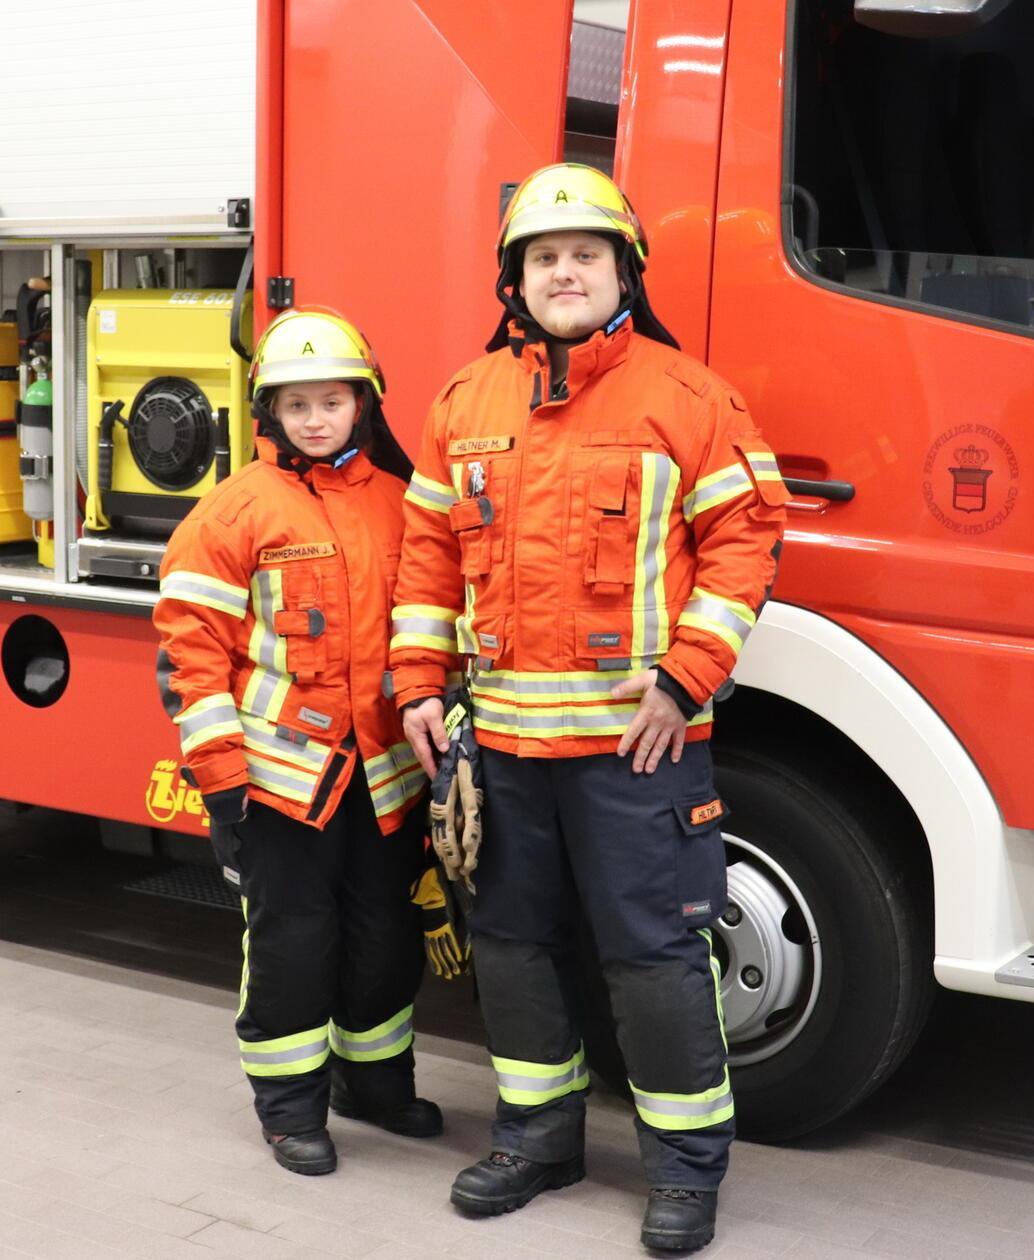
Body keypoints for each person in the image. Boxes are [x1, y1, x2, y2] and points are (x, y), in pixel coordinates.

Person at [390, 164, 787, 1251]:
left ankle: (686, 1171)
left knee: (653, 958)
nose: (563, 271)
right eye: (542, 257)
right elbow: (425, 558)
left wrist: (685, 676)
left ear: (624, 273)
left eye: (584, 255)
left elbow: (746, 545)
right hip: (502, 744)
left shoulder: (688, 398)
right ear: (514, 280)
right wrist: (418, 686)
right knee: (511, 946)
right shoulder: (463, 403)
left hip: (634, 749)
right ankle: (536, 1138)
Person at [154, 308, 438, 1176]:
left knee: (386, 937)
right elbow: (190, 657)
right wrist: (223, 781)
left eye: (332, 401)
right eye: (296, 404)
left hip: (385, 780)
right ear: (266, 414)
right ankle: (289, 1109)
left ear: (365, 404)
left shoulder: (404, 503)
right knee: (292, 946)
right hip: (280, 786)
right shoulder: (233, 511)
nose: (315, 419)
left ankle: (376, 1085)